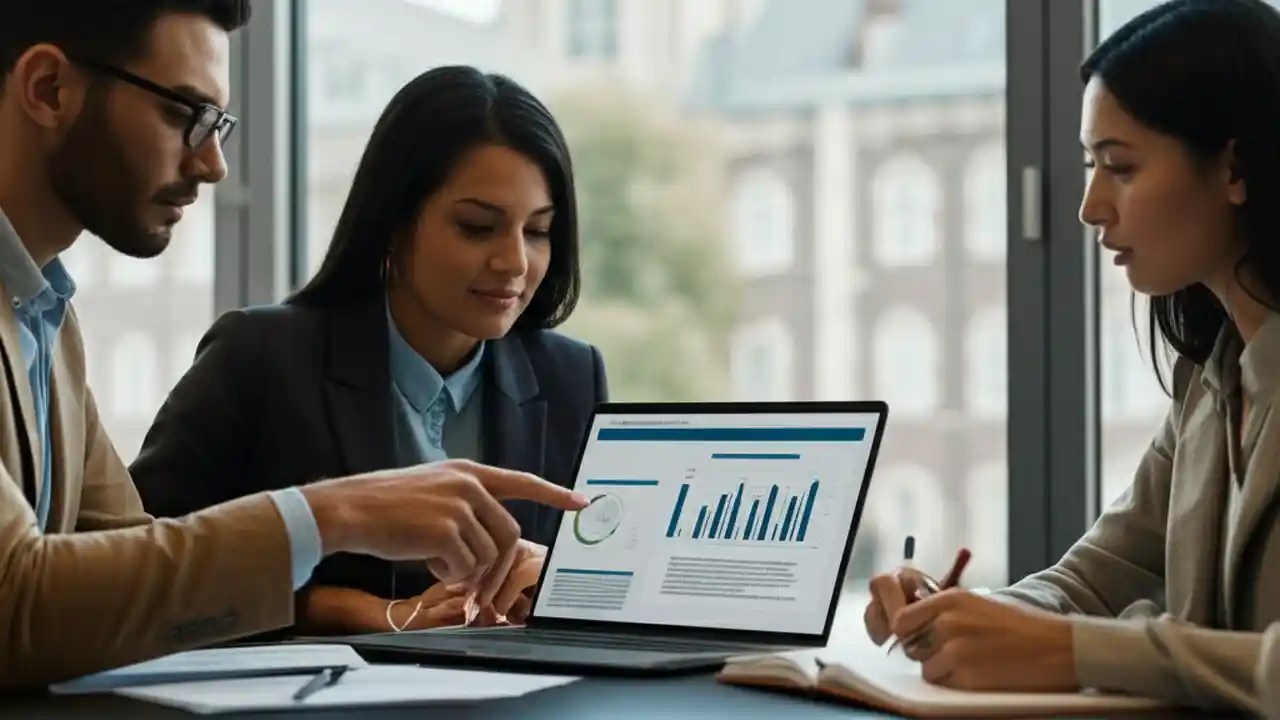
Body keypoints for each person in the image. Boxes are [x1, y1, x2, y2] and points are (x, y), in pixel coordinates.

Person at [0, 1, 587, 690]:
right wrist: (339, 515)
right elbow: (18, 605)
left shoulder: (46, 321)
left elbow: (135, 576)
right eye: (183, 113)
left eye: (218, 124)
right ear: (47, 89)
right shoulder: (256, 352)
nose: (214, 163)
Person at [863, 0, 1280, 712]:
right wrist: (964, 617)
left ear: (1235, 165)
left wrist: (1076, 649)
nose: (1089, 206)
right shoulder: (1209, 383)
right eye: (1090, 165)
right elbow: (1093, 580)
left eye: (1119, 167)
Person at [132, 65, 606, 634]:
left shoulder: (570, 376)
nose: (515, 263)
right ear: (394, 223)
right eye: (477, 227)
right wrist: (370, 613)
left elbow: (603, 580)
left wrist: (556, 581)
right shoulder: (258, 359)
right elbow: (141, 572)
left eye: (537, 231)